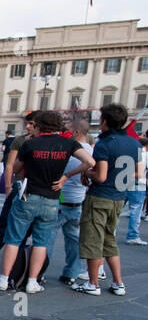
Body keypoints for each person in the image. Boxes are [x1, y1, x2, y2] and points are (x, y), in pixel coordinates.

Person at [0, 111, 93, 294]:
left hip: (28, 195)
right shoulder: (68, 143)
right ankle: (32, 282)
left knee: (14, 238)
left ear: (39, 126)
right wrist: (66, 176)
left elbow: (17, 168)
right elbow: (89, 161)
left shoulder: (30, 144)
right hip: (52, 198)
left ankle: (4, 279)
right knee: (41, 242)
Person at [76, 103, 143, 297]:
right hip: (120, 197)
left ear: (104, 121)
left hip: (100, 195)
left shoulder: (105, 144)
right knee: (109, 240)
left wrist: (88, 173)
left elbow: (101, 175)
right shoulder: (135, 143)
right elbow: (138, 172)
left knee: (93, 240)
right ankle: (118, 282)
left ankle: (93, 283)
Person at [0, 115, 38, 265]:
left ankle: (18, 255)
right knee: (6, 217)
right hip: (19, 186)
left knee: (25, 222)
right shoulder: (21, 140)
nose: (28, 126)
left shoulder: (45, 143)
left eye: (32, 124)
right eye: (28, 123)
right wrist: (8, 186)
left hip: (33, 189)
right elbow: (10, 164)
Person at [55, 115, 93, 286]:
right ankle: (72, 272)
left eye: (68, 129)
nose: (65, 132)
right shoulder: (92, 151)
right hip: (79, 200)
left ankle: (38, 272)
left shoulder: (68, 149)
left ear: (76, 132)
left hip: (60, 199)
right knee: (73, 239)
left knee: (46, 237)